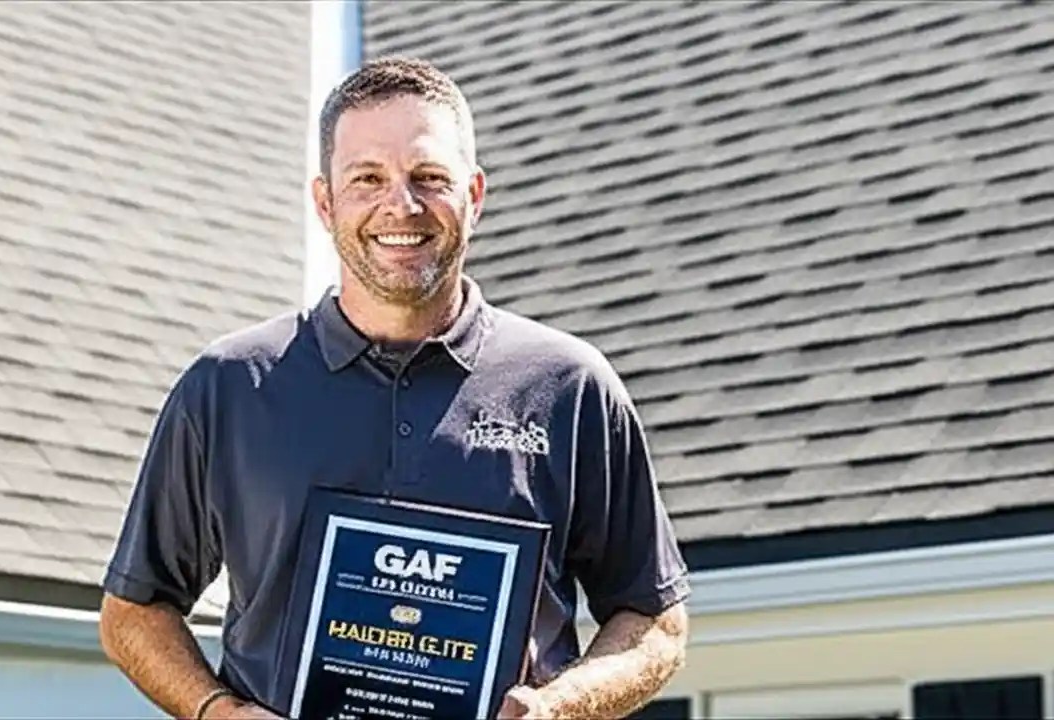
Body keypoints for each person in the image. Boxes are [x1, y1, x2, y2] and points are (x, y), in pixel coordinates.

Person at [98, 56, 691, 720]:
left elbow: (656, 622)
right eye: (368, 179)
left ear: (475, 195)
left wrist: (562, 705)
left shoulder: (571, 389)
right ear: (325, 203)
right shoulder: (229, 387)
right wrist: (218, 712)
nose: (399, 205)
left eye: (429, 177)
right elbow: (133, 611)